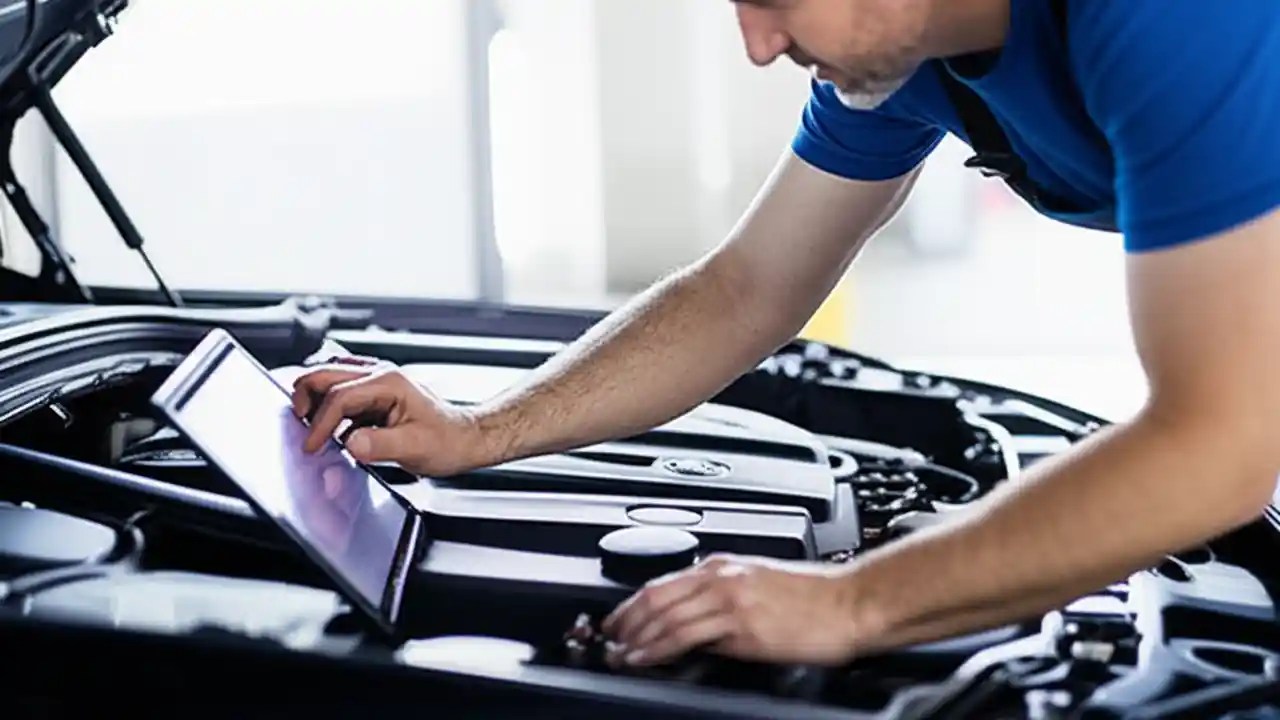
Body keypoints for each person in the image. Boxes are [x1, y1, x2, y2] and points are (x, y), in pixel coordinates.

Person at [290, 0, 1280, 670]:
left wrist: (847, 604)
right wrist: (480, 428)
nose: (757, 44)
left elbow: (1218, 445)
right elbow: (744, 286)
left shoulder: (1174, 17)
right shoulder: (909, 54)